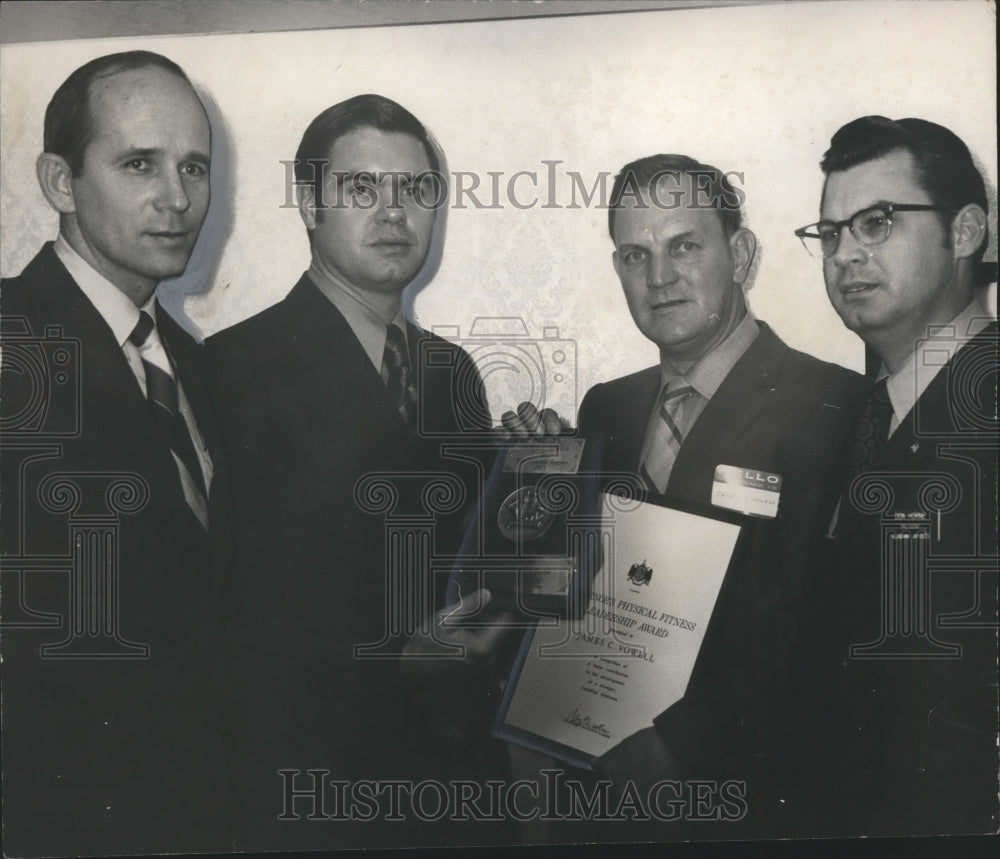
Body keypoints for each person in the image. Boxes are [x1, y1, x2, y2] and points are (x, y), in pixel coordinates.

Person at [508, 154, 867, 828]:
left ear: (741, 253)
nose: (660, 277)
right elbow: (578, 591)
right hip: (599, 787)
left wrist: (686, 739)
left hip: (745, 797)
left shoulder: (832, 404)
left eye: (684, 246)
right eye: (634, 255)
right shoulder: (606, 409)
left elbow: (820, 625)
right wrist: (534, 483)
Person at [205, 94, 510, 849]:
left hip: (459, 786)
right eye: (361, 188)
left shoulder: (453, 371)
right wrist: (395, 660)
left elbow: (472, 561)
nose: (393, 212)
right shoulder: (230, 368)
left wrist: (536, 479)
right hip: (316, 791)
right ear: (309, 203)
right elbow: (227, 609)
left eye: (414, 189)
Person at [0, 51, 233, 855]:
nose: (177, 199)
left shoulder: (193, 364)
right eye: (140, 164)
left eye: (193, 167)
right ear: (60, 183)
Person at [786, 116, 998, 836]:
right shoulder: (856, 415)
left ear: (965, 231)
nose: (845, 254)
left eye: (876, 223)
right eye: (830, 231)